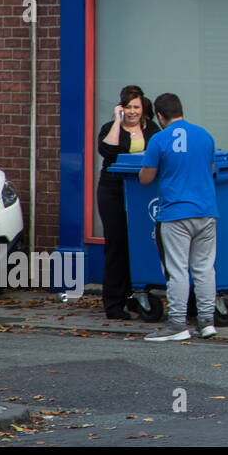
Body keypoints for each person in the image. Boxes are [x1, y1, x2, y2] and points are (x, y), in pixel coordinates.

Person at [139, 93, 218, 342]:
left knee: (177, 270)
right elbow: (211, 170)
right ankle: (207, 322)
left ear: (160, 116)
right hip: (206, 212)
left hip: (175, 214)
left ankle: (177, 324)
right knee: (204, 268)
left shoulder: (159, 139)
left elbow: (146, 178)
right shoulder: (205, 136)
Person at [96, 85, 161, 320]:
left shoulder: (152, 129)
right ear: (120, 108)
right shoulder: (110, 128)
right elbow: (106, 150)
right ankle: (113, 303)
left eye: (136, 107)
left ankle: (135, 296)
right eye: (127, 107)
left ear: (144, 109)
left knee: (141, 243)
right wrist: (116, 121)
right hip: (112, 191)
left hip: (141, 192)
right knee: (117, 244)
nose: (131, 111)